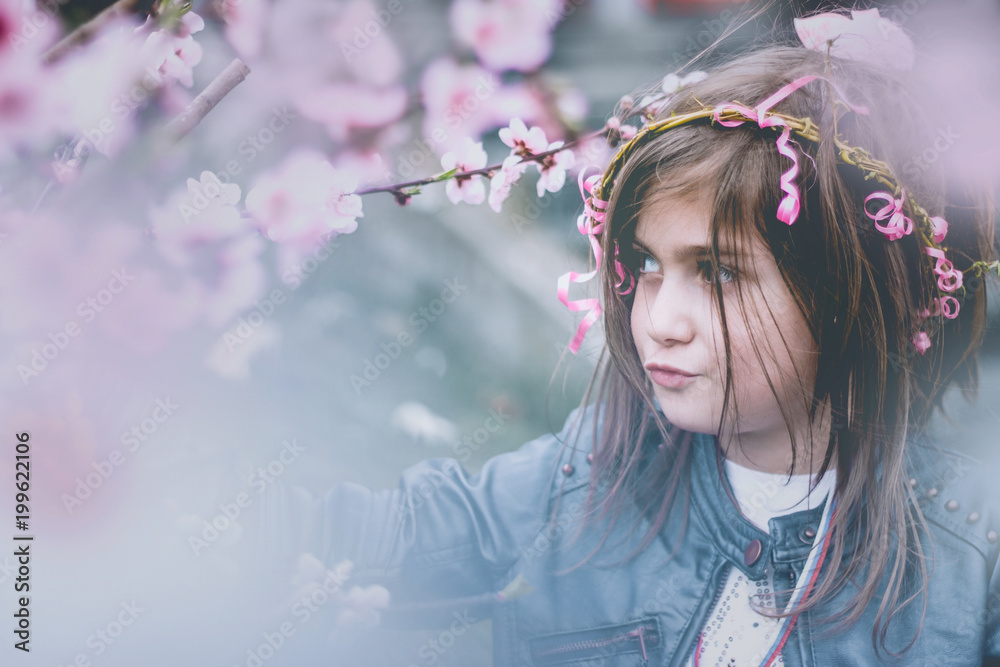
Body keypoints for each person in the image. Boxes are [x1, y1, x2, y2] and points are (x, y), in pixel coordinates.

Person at [250, 11, 1000, 667]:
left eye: (718, 273)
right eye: (645, 263)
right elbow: (355, 540)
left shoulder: (976, 557)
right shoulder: (587, 482)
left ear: (856, 294)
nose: (660, 319)